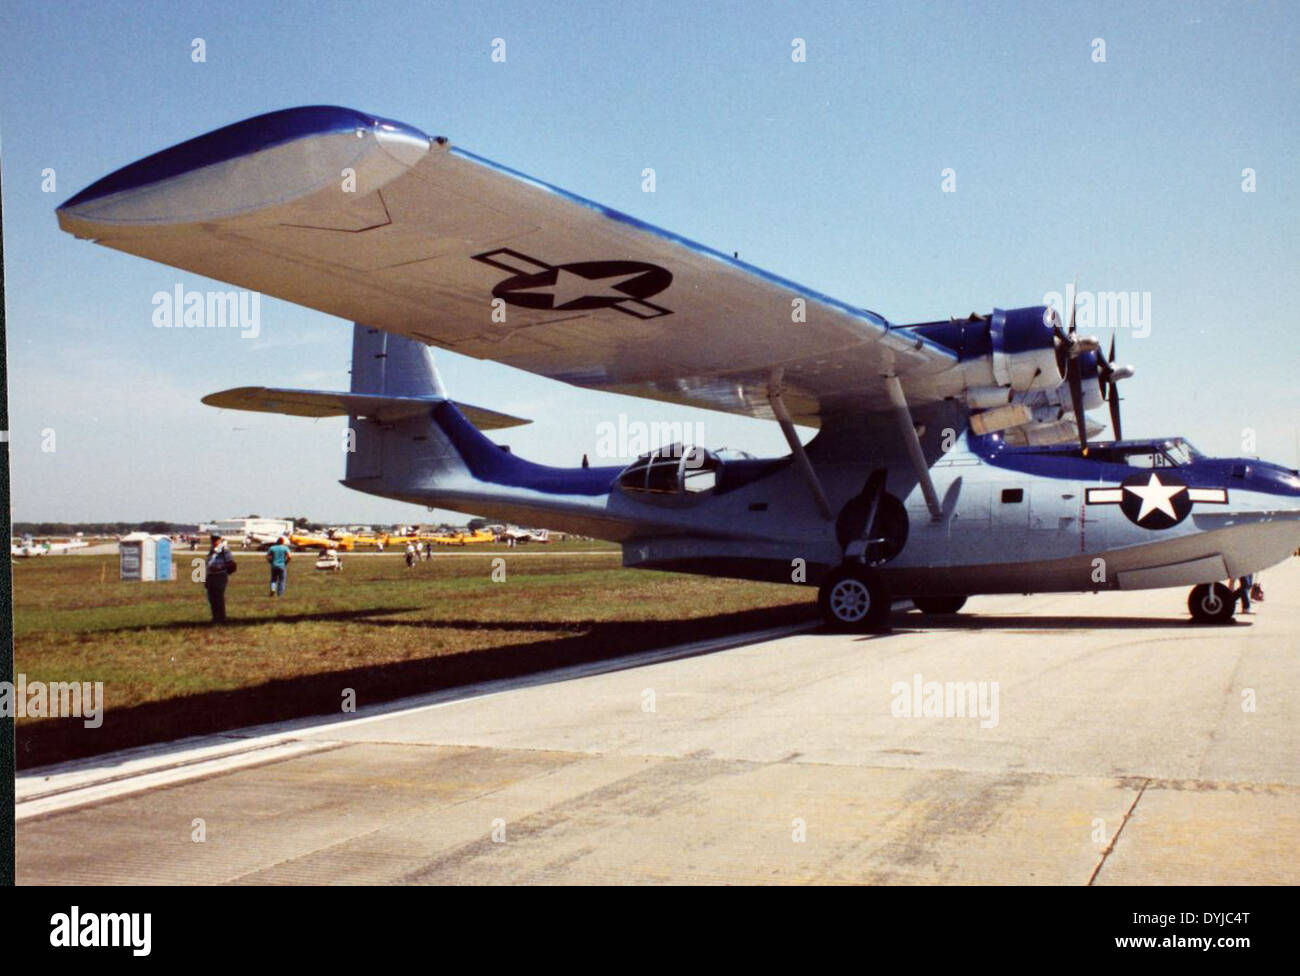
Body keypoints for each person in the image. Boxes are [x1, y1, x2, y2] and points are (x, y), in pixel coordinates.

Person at [204, 533, 237, 623]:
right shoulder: (212, 550)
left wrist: (220, 567)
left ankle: (221, 618)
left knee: (218, 597)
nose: (214, 541)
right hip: (211, 576)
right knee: (211, 598)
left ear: (220, 540)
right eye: (212, 539)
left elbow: (231, 563)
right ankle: (215, 617)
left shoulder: (224, 550)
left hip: (220, 575)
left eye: (216, 539)